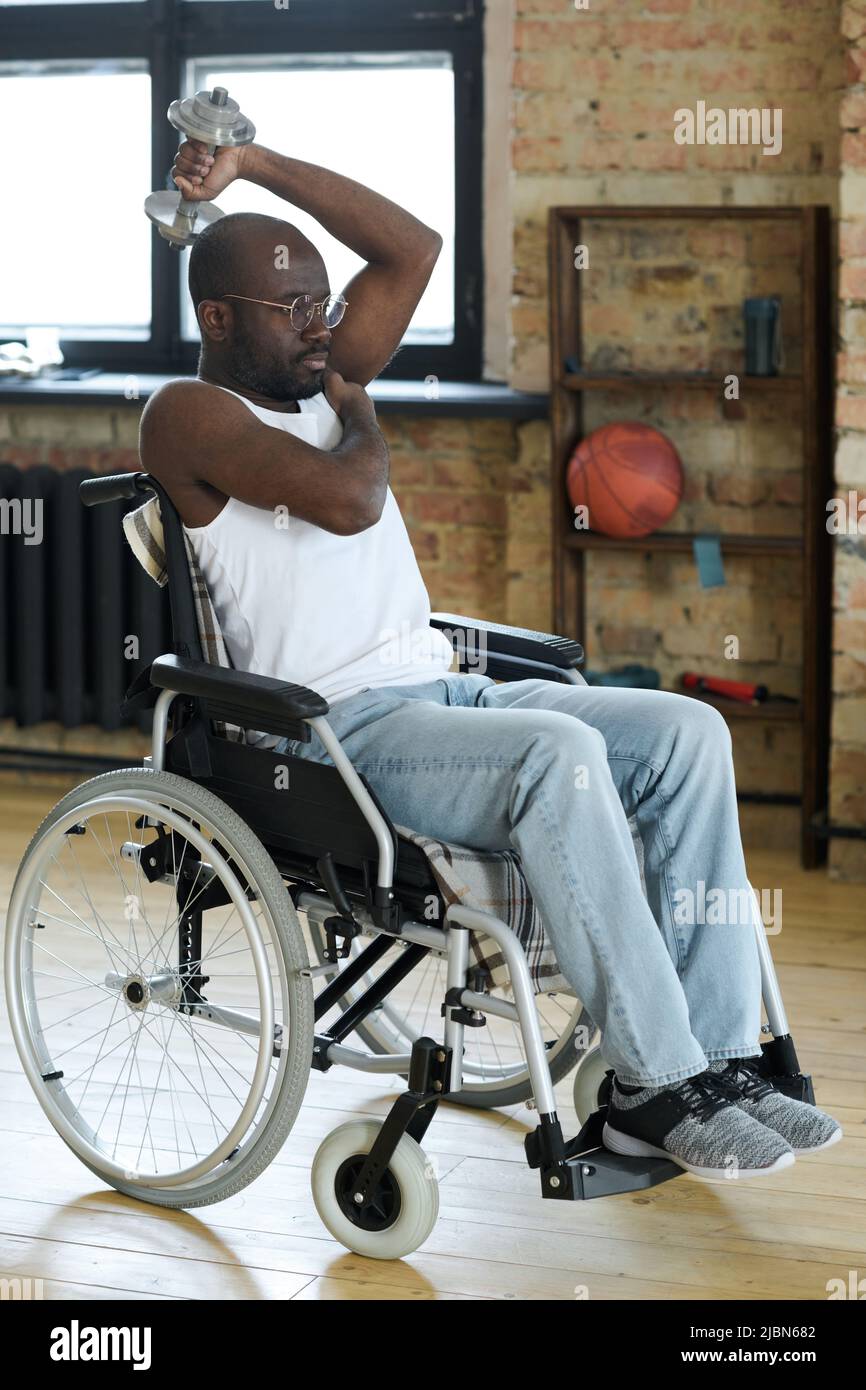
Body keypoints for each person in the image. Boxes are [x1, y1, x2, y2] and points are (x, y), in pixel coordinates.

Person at [139, 133, 840, 1182]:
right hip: (338, 729)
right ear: (217, 318)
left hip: (441, 688)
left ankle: (721, 1059)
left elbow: (412, 246)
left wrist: (253, 164)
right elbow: (350, 500)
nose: (320, 324)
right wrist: (361, 412)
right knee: (554, 749)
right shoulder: (191, 414)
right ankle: (649, 1086)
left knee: (687, 731)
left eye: (324, 302)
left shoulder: (316, 369)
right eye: (293, 309)